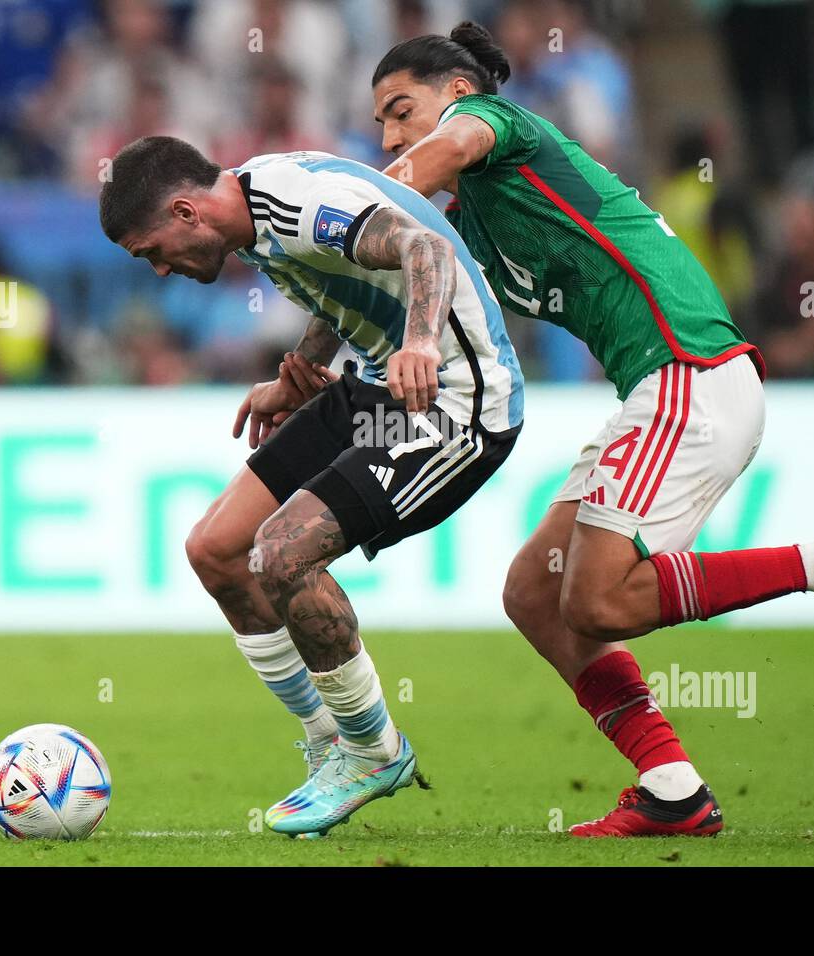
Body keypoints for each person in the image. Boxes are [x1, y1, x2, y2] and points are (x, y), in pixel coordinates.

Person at [286, 21, 814, 839]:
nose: (389, 135)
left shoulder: (502, 128)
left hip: (689, 374)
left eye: (399, 111)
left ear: (455, 94)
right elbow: (383, 273)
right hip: (654, 394)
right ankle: (673, 790)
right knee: (534, 592)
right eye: (379, 122)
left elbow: (409, 182)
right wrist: (308, 357)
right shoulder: (474, 225)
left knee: (596, 600)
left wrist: (326, 203)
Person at [99, 136, 524, 837]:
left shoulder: (298, 205)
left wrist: (419, 342)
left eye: (152, 252)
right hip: (372, 391)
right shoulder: (256, 213)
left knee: (282, 552)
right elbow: (343, 283)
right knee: (217, 549)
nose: (161, 271)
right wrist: (301, 365)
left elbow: (425, 251)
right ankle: (330, 736)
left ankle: (373, 750)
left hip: (451, 406)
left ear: (184, 210)